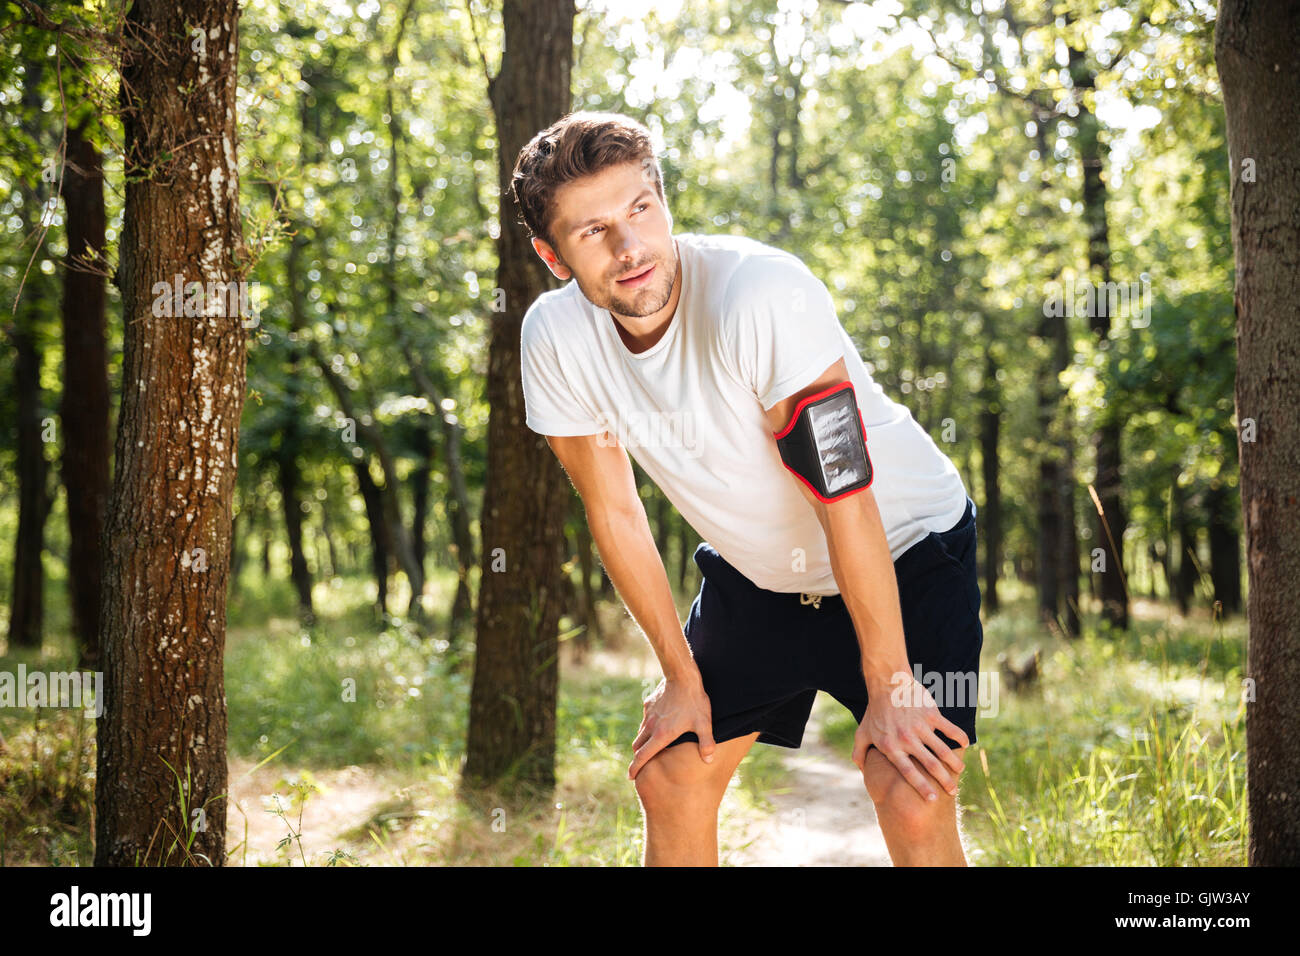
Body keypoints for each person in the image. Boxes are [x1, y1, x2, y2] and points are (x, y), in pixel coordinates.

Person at [513, 111, 984, 866]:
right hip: (762, 575)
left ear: (664, 201)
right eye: (592, 230)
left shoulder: (759, 294)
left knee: (910, 787)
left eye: (640, 208)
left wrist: (891, 680)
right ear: (552, 255)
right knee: (671, 773)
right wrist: (678, 676)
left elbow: (844, 490)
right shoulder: (555, 341)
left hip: (903, 548)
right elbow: (616, 513)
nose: (630, 247)